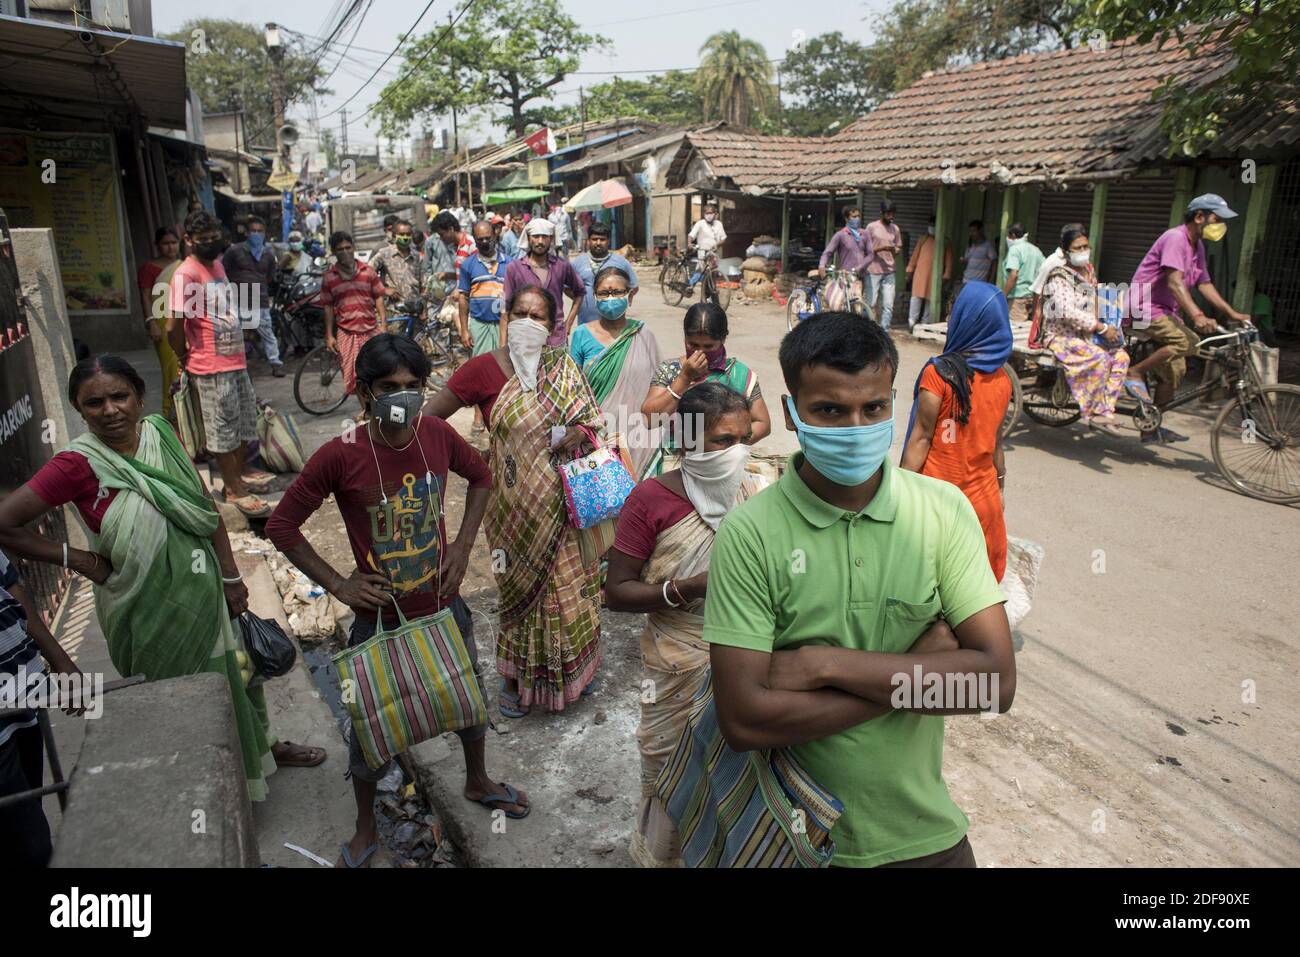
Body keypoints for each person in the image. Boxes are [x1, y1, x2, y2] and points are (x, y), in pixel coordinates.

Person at [702, 312, 1015, 868]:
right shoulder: (750, 535)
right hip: (793, 837)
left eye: (873, 408)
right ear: (792, 414)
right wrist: (910, 673)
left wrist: (825, 664)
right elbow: (745, 721)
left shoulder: (942, 512)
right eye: (830, 410)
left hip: (925, 837)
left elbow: (991, 686)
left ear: (893, 400)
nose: (855, 426)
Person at [0, 357, 326, 805]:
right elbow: (5, 523)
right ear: (79, 409)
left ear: (139, 397)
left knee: (236, 675)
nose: (110, 410)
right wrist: (77, 559)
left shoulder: (161, 434)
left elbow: (202, 509)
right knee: (180, 699)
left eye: (120, 396)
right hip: (142, 607)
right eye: (94, 402)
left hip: (205, 591)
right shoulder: (76, 464)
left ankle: (261, 751)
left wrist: (231, 577)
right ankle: (207, 788)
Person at [265, 334, 526, 867]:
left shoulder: (435, 433)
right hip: (378, 618)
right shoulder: (341, 454)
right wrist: (338, 584)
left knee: (466, 698)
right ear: (364, 392)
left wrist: (462, 545)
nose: (403, 397)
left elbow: (480, 477)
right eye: (389, 387)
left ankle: (476, 780)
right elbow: (281, 524)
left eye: (413, 386)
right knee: (372, 723)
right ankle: (366, 829)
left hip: (443, 603)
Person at [424, 286, 604, 714]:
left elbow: (593, 421)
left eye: (538, 316)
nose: (528, 322)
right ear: (506, 317)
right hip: (509, 510)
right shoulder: (482, 370)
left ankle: (573, 671)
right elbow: (430, 418)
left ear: (552, 324)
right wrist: (470, 460)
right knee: (517, 590)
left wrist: (579, 433)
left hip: (564, 504)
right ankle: (516, 677)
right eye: (520, 313)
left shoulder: (563, 367)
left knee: (568, 589)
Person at [605, 382, 754, 867]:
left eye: (743, 439)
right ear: (688, 439)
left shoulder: (753, 490)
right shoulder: (650, 500)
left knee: (735, 773)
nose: (737, 453)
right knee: (674, 771)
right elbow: (617, 592)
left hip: (745, 658)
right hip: (678, 660)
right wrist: (687, 588)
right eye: (724, 440)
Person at [900, 282, 1014, 580]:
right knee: (975, 599)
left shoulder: (938, 375)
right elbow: (996, 443)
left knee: (932, 598)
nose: (950, 320)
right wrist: (1000, 487)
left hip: (937, 506)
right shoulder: (1003, 380)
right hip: (984, 506)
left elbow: (920, 439)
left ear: (966, 319)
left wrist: (897, 496)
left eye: (953, 313)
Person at [166, 210, 275, 517]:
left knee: (243, 426)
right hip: (211, 365)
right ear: (188, 241)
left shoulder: (215, 264)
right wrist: (184, 356)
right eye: (204, 240)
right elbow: (172, 327)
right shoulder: (185, 274)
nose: (212, 244)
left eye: (216, 238)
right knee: (222, 431)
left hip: (235, 361)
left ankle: (236, 481)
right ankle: (234, 489)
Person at [1126, 194, 1254, 442]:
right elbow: (1175, 283)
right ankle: (1135, 371)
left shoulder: (1198, 246)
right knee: (1189, 342)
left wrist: (1232, 314)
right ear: (1199, 217)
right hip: (1143, 306)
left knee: (1175, 369)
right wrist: (1196, 314)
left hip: (1164, 310)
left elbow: (1204, 284)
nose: (1220, 226)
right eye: (1216, 219)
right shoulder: (1175, 238)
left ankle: (1150, 428)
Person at [0, 547, 82, 867]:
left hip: (23, 687)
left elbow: (11, 588)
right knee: (31, 845)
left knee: (30, 807)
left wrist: (61, 660)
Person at [569, 266, 662, 476]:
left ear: (629, 296)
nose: (611, 297)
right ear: (594, 297)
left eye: (618, 292)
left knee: (639, 499)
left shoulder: (644, 335)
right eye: (604, 293)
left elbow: (659, 387)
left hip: (639, 436)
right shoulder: (581, 335)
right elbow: (572, 390)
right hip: (596, 437)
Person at [1041, 224, 1131, 436]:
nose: (1083, 251)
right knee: (1100, 358)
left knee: (1121, 358)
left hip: (1088, 334)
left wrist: (1113, 316)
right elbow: (1065, 311)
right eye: (1077, 248)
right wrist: (1100, 328)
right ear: (1064, 251)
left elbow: (1095, 297)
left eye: (1085, 246)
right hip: (1061, 336)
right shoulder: (1059, 277)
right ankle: (1092, 412)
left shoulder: (1088, 271)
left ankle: (1106, 411)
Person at [642, 302, 771, 448]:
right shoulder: (669, 371)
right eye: (693, 345)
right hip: (677, 458)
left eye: (709, 346)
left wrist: (727, 446)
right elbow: (649, 419)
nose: (700, 352)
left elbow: (763, 424)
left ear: (723, 340)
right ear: (684, 338)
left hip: (726, 460)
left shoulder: (738, 374)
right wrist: (684, 378)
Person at [321, 231, 388, 416]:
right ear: (334, 252)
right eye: (340, 249)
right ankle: (365, 409)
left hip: (371, 330)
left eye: (348, 248)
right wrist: (329, 335)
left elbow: (379, 298)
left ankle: (378, 408)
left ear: (353, 248)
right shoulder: (329, 277)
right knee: (354, 375)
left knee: (377, 372)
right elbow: (327, 307)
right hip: (346, 332)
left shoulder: (368, 272)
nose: (345, 252)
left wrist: (383, 325)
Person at [502, 219, 585, 347]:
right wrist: (503, 345)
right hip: (523, 340)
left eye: (544, 237)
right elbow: (505, 308)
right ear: (528, 238)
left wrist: (568, 323)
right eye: (536, 236)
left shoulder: (562, 266)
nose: (540, 241)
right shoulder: (514, 268)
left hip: (556, 338)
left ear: (551, 239)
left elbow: (579, 292)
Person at [221, 215, 285, 378]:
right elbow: (223, 272)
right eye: (253, 231)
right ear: (246, 233)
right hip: (237, 299)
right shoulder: (234, 251)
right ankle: (238, 365)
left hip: (259, 299)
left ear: (264, 233)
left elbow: (270, 276)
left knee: (267, 333)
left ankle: (276, 363)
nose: (256, 234)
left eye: (260, 231)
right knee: (236, 333)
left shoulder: (268, 255)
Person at [136, 226, 183, 420]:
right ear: (158, 245)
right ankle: (169, 412)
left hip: (182, 318)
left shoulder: (185, 265)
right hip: (162, 319)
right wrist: (151, 322)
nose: (171, 247)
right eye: (166, 243)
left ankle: (185, 408)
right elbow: (146, 297)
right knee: (170, 368)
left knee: (184, 365)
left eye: (174, 242)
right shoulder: (150, 268)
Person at [572, 222, 639, 327]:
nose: (598, 243)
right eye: (594, 239)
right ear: (588, 240)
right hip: (586, 323)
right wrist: (582, 299)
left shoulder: (621, 262)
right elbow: (567, 288)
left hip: (615, 325)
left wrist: (621, 302)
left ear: (608, 241)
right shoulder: (578, 262)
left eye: (602, 239)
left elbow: (634, 287)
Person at [371, 219, 426, 328]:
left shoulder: (417, 256)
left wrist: (424, 309)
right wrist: (383, 290)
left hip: (414, 314)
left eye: (408, 234)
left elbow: (423, 286)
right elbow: (367, 274)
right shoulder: (384, 254)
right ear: (394, 235)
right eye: (401, 234)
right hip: (394, 313)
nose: (405, 237)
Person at [905, 216, 952, 330]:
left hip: (935, 278)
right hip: (920, 275)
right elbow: (914, 257)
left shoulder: (945, 242)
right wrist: (909, 271)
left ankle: (924, 325)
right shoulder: (923, 239)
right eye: (930, 225)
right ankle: (912, 323)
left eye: (934, 225)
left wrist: (946, 275)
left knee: (929, 302)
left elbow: (949, 262)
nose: (932, 227)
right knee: (916, 298)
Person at [817, 205, 872, 304]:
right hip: (847, 276)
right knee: (847, 306)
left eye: (858, 216)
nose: (857, 219)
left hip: (863, 275)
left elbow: (871, 255)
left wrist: (860, 267)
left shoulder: (865, 234)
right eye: (853, 217)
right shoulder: (840, 235)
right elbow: (827, 253)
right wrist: (822, 265)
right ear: (846, 218)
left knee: (866, 305)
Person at [865, 200, 903, 330]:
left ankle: (884, 332)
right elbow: (864, 249)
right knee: (871, 303)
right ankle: (868, 330)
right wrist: (880, 248)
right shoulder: (871, 227)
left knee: (888, 305)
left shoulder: (895, 229)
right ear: (881, 213)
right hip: (873, 270)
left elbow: (898, 248)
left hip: (889, 271)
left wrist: (892, 249)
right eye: (888, 213)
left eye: (892, 214)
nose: (890, 216)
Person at [1001, 223, 1045, 325]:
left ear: (1013, 235)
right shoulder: (1035, 250)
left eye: (1008, 235)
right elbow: (1044, 270)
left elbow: (1013, 275)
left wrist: (1003, 296)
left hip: (1017, 299)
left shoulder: (1015, 250)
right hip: (1032, 298)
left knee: (1015, 331)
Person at [423, 211, 464, 307]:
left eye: (442, 234)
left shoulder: (463, 243)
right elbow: (427, 267)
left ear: (451, 229)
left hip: (457, 290)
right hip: (438, 291)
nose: (441, 237)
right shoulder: (431, 242)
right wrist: (427, 287)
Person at [687, 203, 726, 286]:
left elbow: (723, 238)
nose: (709, 215)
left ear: (715, 214)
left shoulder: (719, 224)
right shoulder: (700, 224)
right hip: (703, 253)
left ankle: (708, 296)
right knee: (703, 272)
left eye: (711, 213)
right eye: (707, 213)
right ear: (703, 214)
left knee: (712, 274)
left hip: (714, 253)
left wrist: (718, 245)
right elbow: (691, 235)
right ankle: (690, 285)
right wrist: (689, 243)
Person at [960, 220, 997, 286]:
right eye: (970, 231)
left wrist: (991, 280)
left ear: (981, 231)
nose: (971, 234)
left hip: (979, 283)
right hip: (966, 280)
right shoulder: (969, 246)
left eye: (974, 231)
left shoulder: (988, 246)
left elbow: (994, 262)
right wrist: (964, 260)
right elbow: (968, 261)